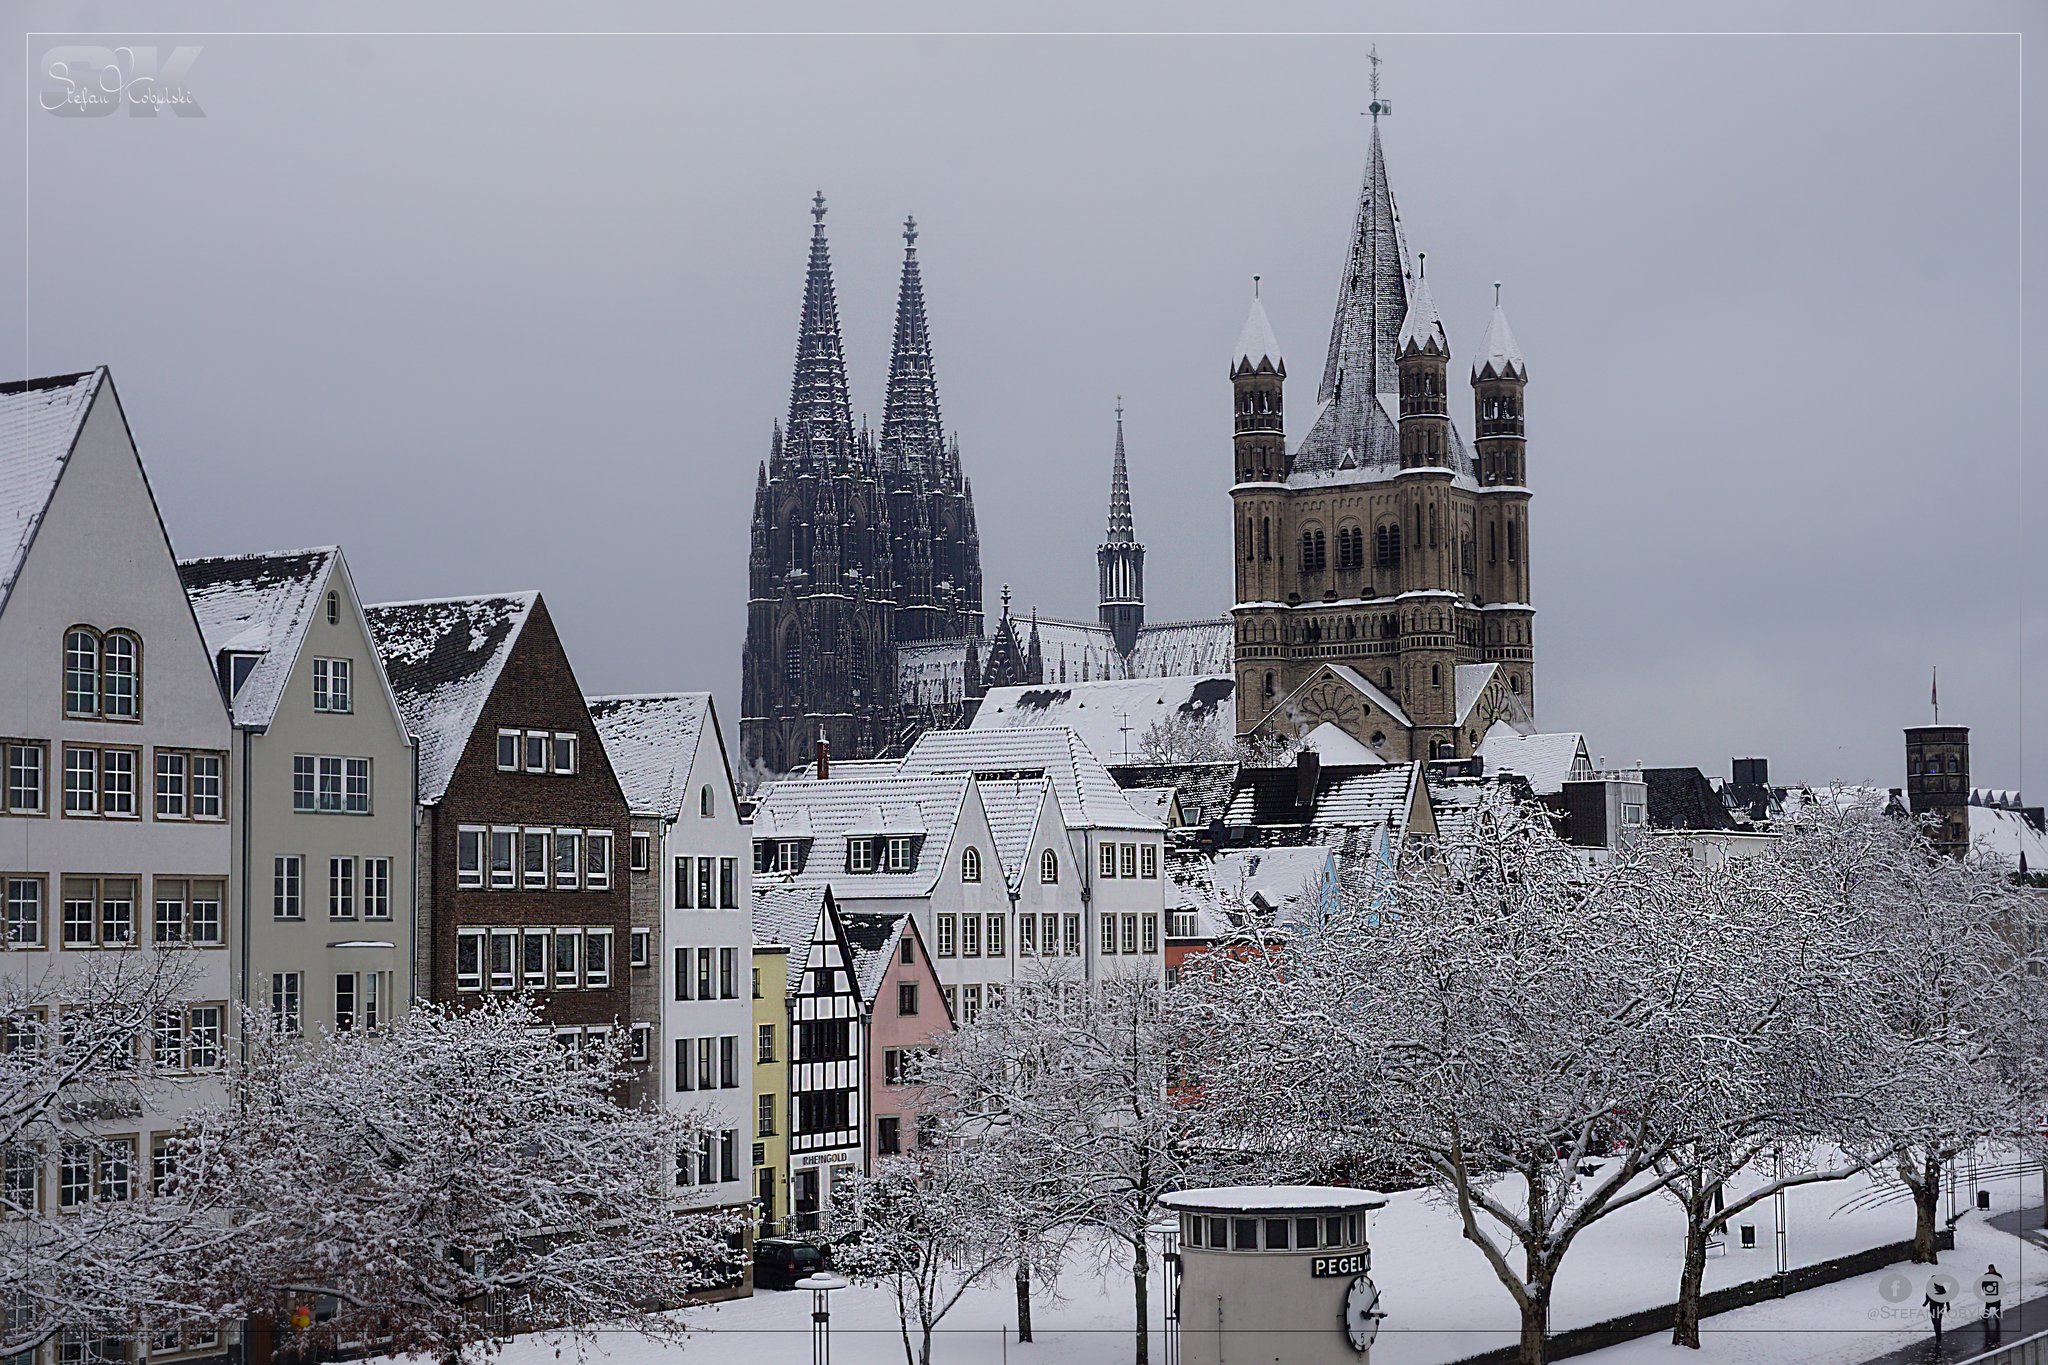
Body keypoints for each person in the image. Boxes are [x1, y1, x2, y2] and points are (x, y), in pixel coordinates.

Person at [1981, 1264, 2004, 1336]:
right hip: (1989, 1293)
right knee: (1987, 1305)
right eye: (1989, 1269)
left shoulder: (1998, 1275)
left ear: (1994, 1269)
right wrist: (1985, 1290)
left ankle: (1997, 1316)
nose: (1991, 1270)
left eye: (1992, 1269)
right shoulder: (1986, 1275)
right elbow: (1983, 1283)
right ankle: (1985, 1317)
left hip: (1996, 1293)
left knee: (1997, 1305)